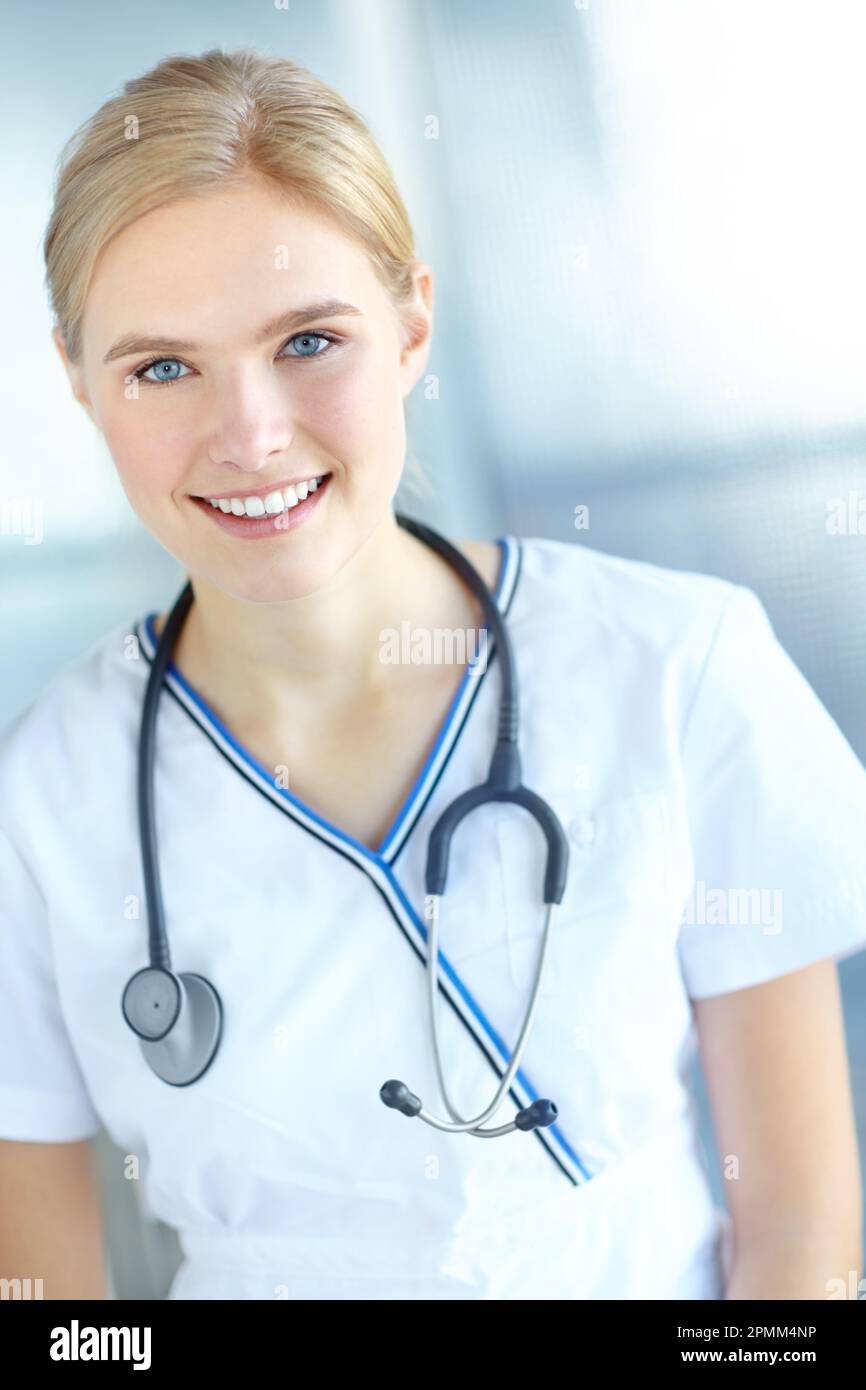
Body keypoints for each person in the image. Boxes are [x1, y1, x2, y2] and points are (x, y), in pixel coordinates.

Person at [1, 46, 865, 1303]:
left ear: (410, 323)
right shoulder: (40, 797)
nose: (249, 434)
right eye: (162, 366)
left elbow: (797, 1248)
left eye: (307, 339)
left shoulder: (676, 670)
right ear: (80, 383)